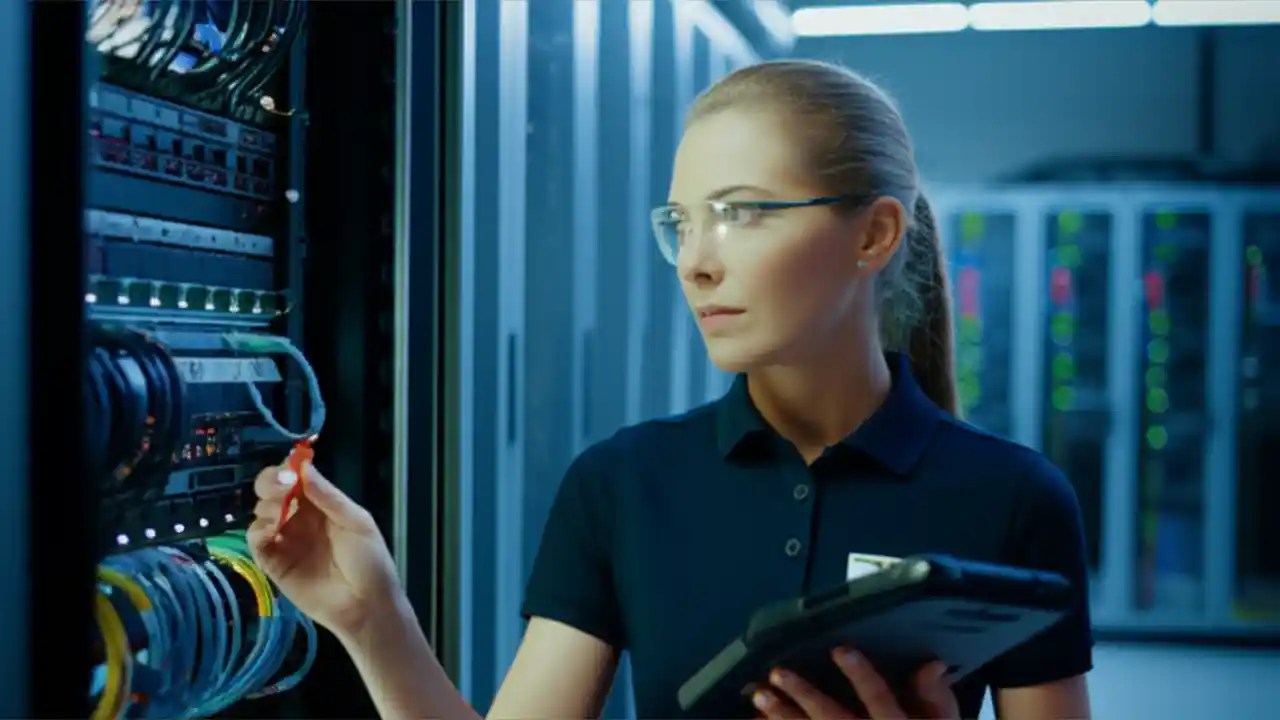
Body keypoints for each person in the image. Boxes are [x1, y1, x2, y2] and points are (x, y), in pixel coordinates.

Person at [248, 59, 1093, 720]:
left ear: (873, 233)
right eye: (681, 223)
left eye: (743, 213)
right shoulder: (622, 484)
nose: (696, 260)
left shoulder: (1014, 500)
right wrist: (374, 619)